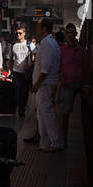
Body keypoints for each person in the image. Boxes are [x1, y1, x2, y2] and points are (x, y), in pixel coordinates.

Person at [31, 17, 64, 152]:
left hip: (44, 85)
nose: (36, 30)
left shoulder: (46, 44)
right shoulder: (52, 42)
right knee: (42, 113)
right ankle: (45, 143)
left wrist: (37, 84)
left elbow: (45, 68)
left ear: (44, 29)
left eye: (38, 27)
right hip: (47, 84)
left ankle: (56, 142)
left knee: (47, 113)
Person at [57, 23, 89, 145]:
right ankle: (63, 139)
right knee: (65, 113)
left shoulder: (81, 50)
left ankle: (87, 140)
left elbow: (86, 67)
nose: (70, 35)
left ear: (76, 34)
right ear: (65, 34)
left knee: (86, 113)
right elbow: (58, 68)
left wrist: (87, 85)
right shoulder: (61, 51)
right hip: (67, 85)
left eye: (72, 32)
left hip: (81, 83)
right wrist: (61, 80)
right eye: (68, 32)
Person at [9, 25, 35, 117]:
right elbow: (11, 59)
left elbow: (36, 56)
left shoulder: (29, 44)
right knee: (17, 92)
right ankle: (20, 107)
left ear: (24, 33)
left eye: (20, 33)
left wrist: (30, 64)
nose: (18, 35)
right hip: (16, 72)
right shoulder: (13, 45)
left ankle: (22, 110)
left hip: (26, 73)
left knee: (24, 93)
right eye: (17, 33)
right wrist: (10, 71)